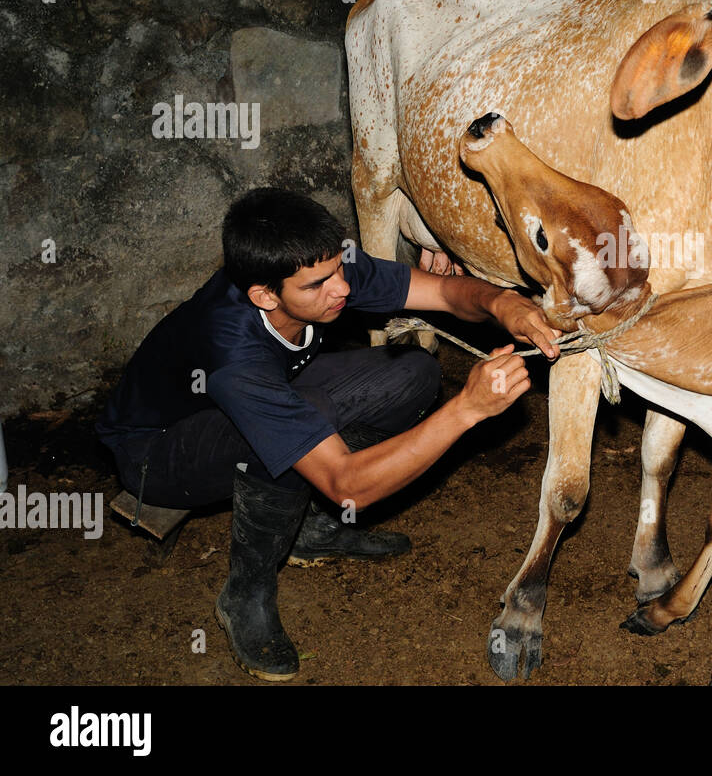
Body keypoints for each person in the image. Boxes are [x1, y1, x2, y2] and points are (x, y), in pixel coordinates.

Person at [96, 187, 560, 680]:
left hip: (260, 398)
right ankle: (247, 594)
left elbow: (443, 293)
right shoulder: (233, 352)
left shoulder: (315, 267)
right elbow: (349, 486)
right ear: (264, 295)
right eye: (318, 285)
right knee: (301, 422)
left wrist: (502, 302)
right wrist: (466, 410)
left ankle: (308, 530)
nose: (340, 288)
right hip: (157, 453)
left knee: (414, 374)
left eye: (340, 269)